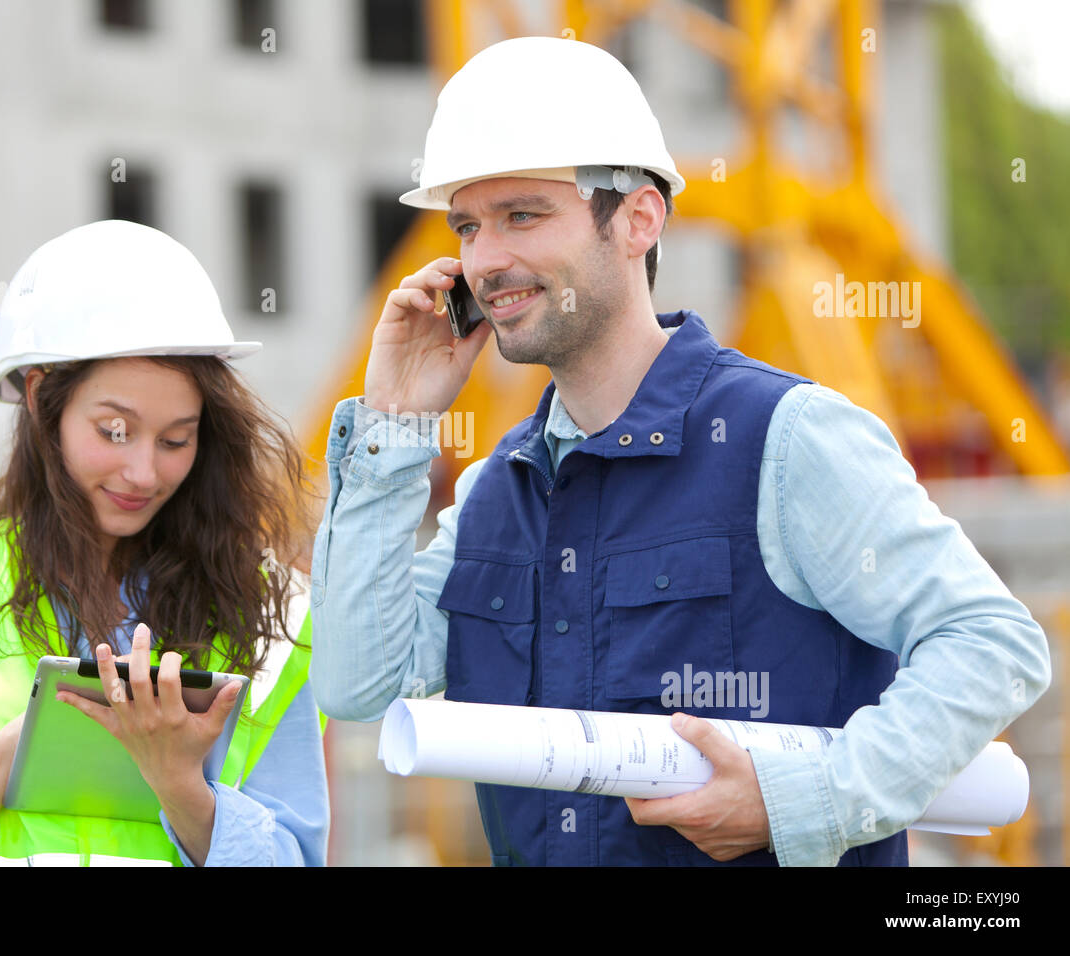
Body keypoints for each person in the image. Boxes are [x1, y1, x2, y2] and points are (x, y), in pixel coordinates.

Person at [309, 37, 1051, 866]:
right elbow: (354, 682)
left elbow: (990, 643)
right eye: (467, 226)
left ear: (638, 218)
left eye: (522, 215)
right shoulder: (496, 492)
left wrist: (801, 805)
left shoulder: (785, 439)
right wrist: (393, 427)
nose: (485, 261)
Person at [0, 219, 328, 866]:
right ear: (40, 399)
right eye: (115, 431)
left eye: (176, 440)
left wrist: (181, 788)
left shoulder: (279, 613)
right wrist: (6, 761)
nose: (145, 473)